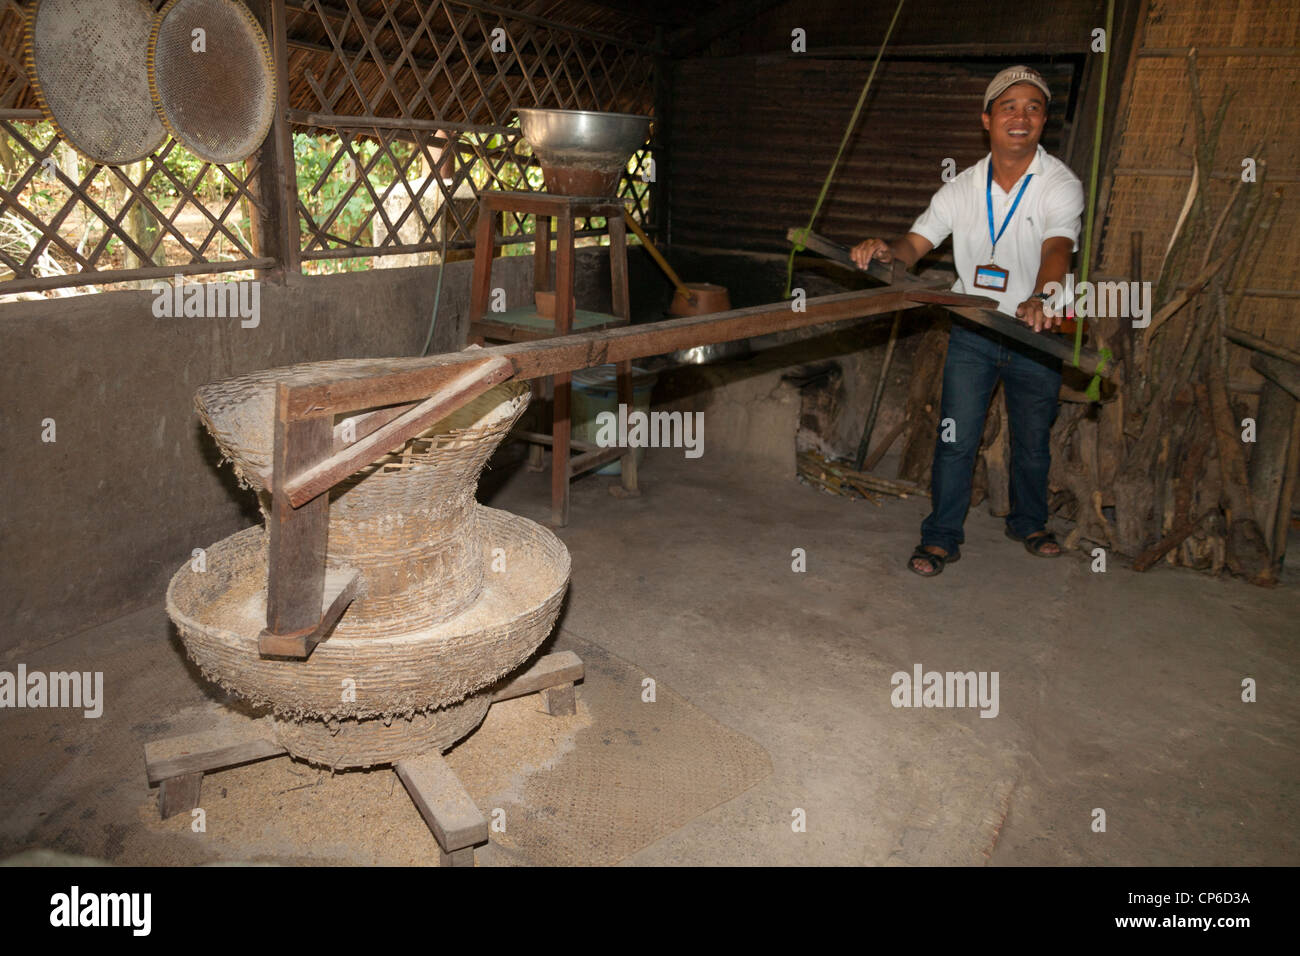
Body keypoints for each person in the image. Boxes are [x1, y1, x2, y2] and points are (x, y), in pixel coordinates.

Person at [851, 65, 1084, 577]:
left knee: (1032, 440)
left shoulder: (1060, 185)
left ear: (1044, 121)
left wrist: (1043, 297)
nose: (1020, 117)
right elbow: (915, 246)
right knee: (956, 437)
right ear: (987, 119)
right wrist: (884, 249)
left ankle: (1029, 521)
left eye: (1033, 108)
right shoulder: (961, 188)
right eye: (1009, 107)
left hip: (1033, 333)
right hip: (974, 330)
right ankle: (940, 537)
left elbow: (1058, 249)